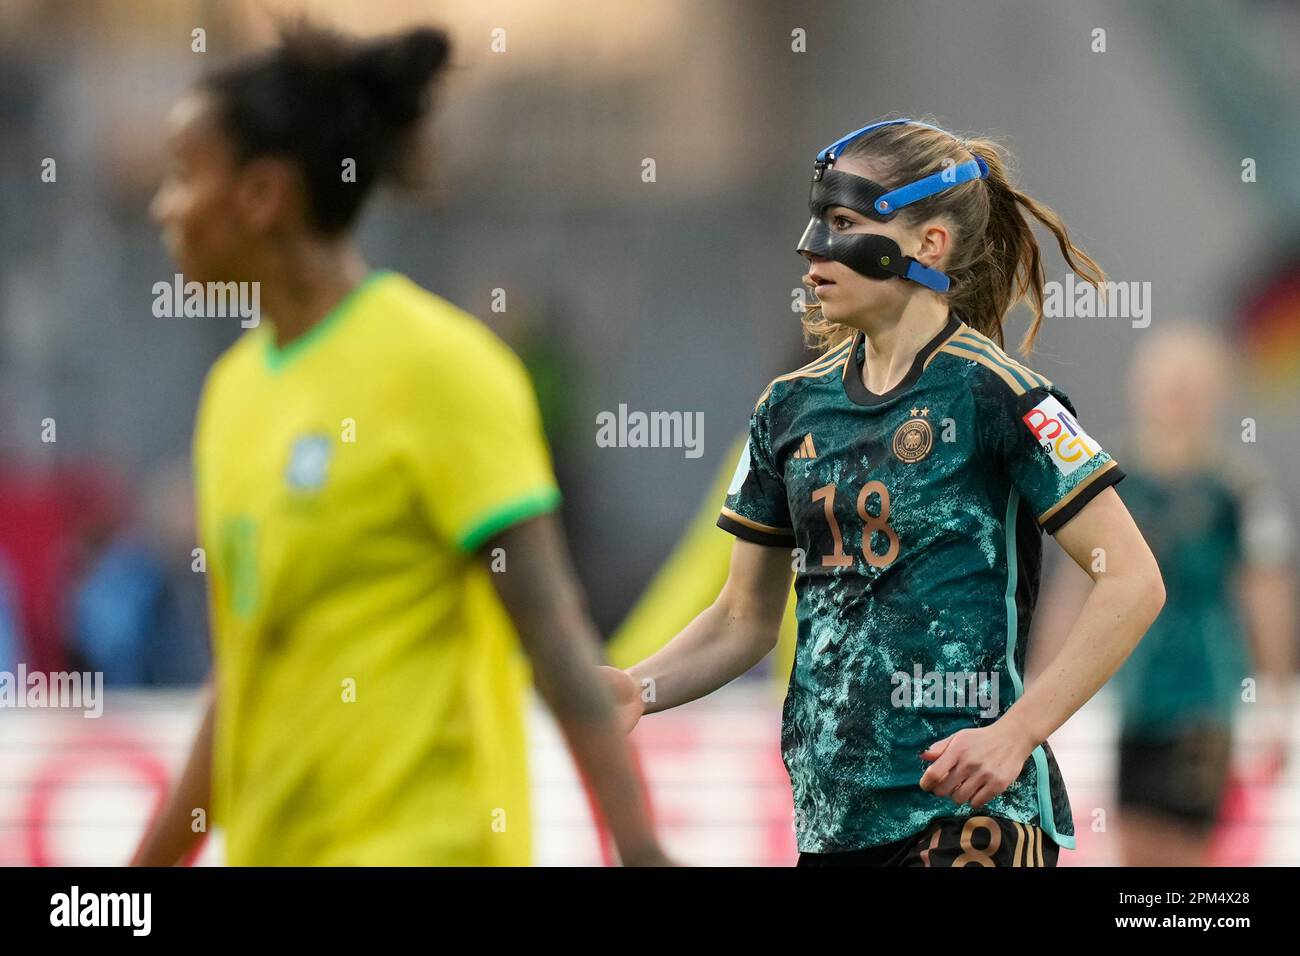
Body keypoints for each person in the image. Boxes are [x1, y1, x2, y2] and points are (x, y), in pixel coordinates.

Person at [131, 23, 667, 867]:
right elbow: (244, 672)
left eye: (183, 175)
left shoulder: (440, 368)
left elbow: (555, 634)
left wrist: (640, 849)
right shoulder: (232, 393)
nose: (164, 207)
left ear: (263, 195)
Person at [601, 117, 1165, 867]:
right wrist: (639, 687)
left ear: (928, 244)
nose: (811, 249)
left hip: (972, 818)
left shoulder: (1001, 395)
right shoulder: (787, 411)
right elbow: (743, 619)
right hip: (833, 825)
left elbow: (1132, 580)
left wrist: (1017, 730)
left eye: (842, 222)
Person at [1032, 324, 1295, 866]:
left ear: (1215, 397)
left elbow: (1265, 595)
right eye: (1168, 385)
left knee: (1179, 850)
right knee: (1132, 846)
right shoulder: (1111, 485)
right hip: (1134, 697)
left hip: (1203, 697)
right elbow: (1072, 589)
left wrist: (1274, 698)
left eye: (1191, 388)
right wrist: (1040, 690)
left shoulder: (1235, 490)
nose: (1177, 399)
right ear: (1142, 389)